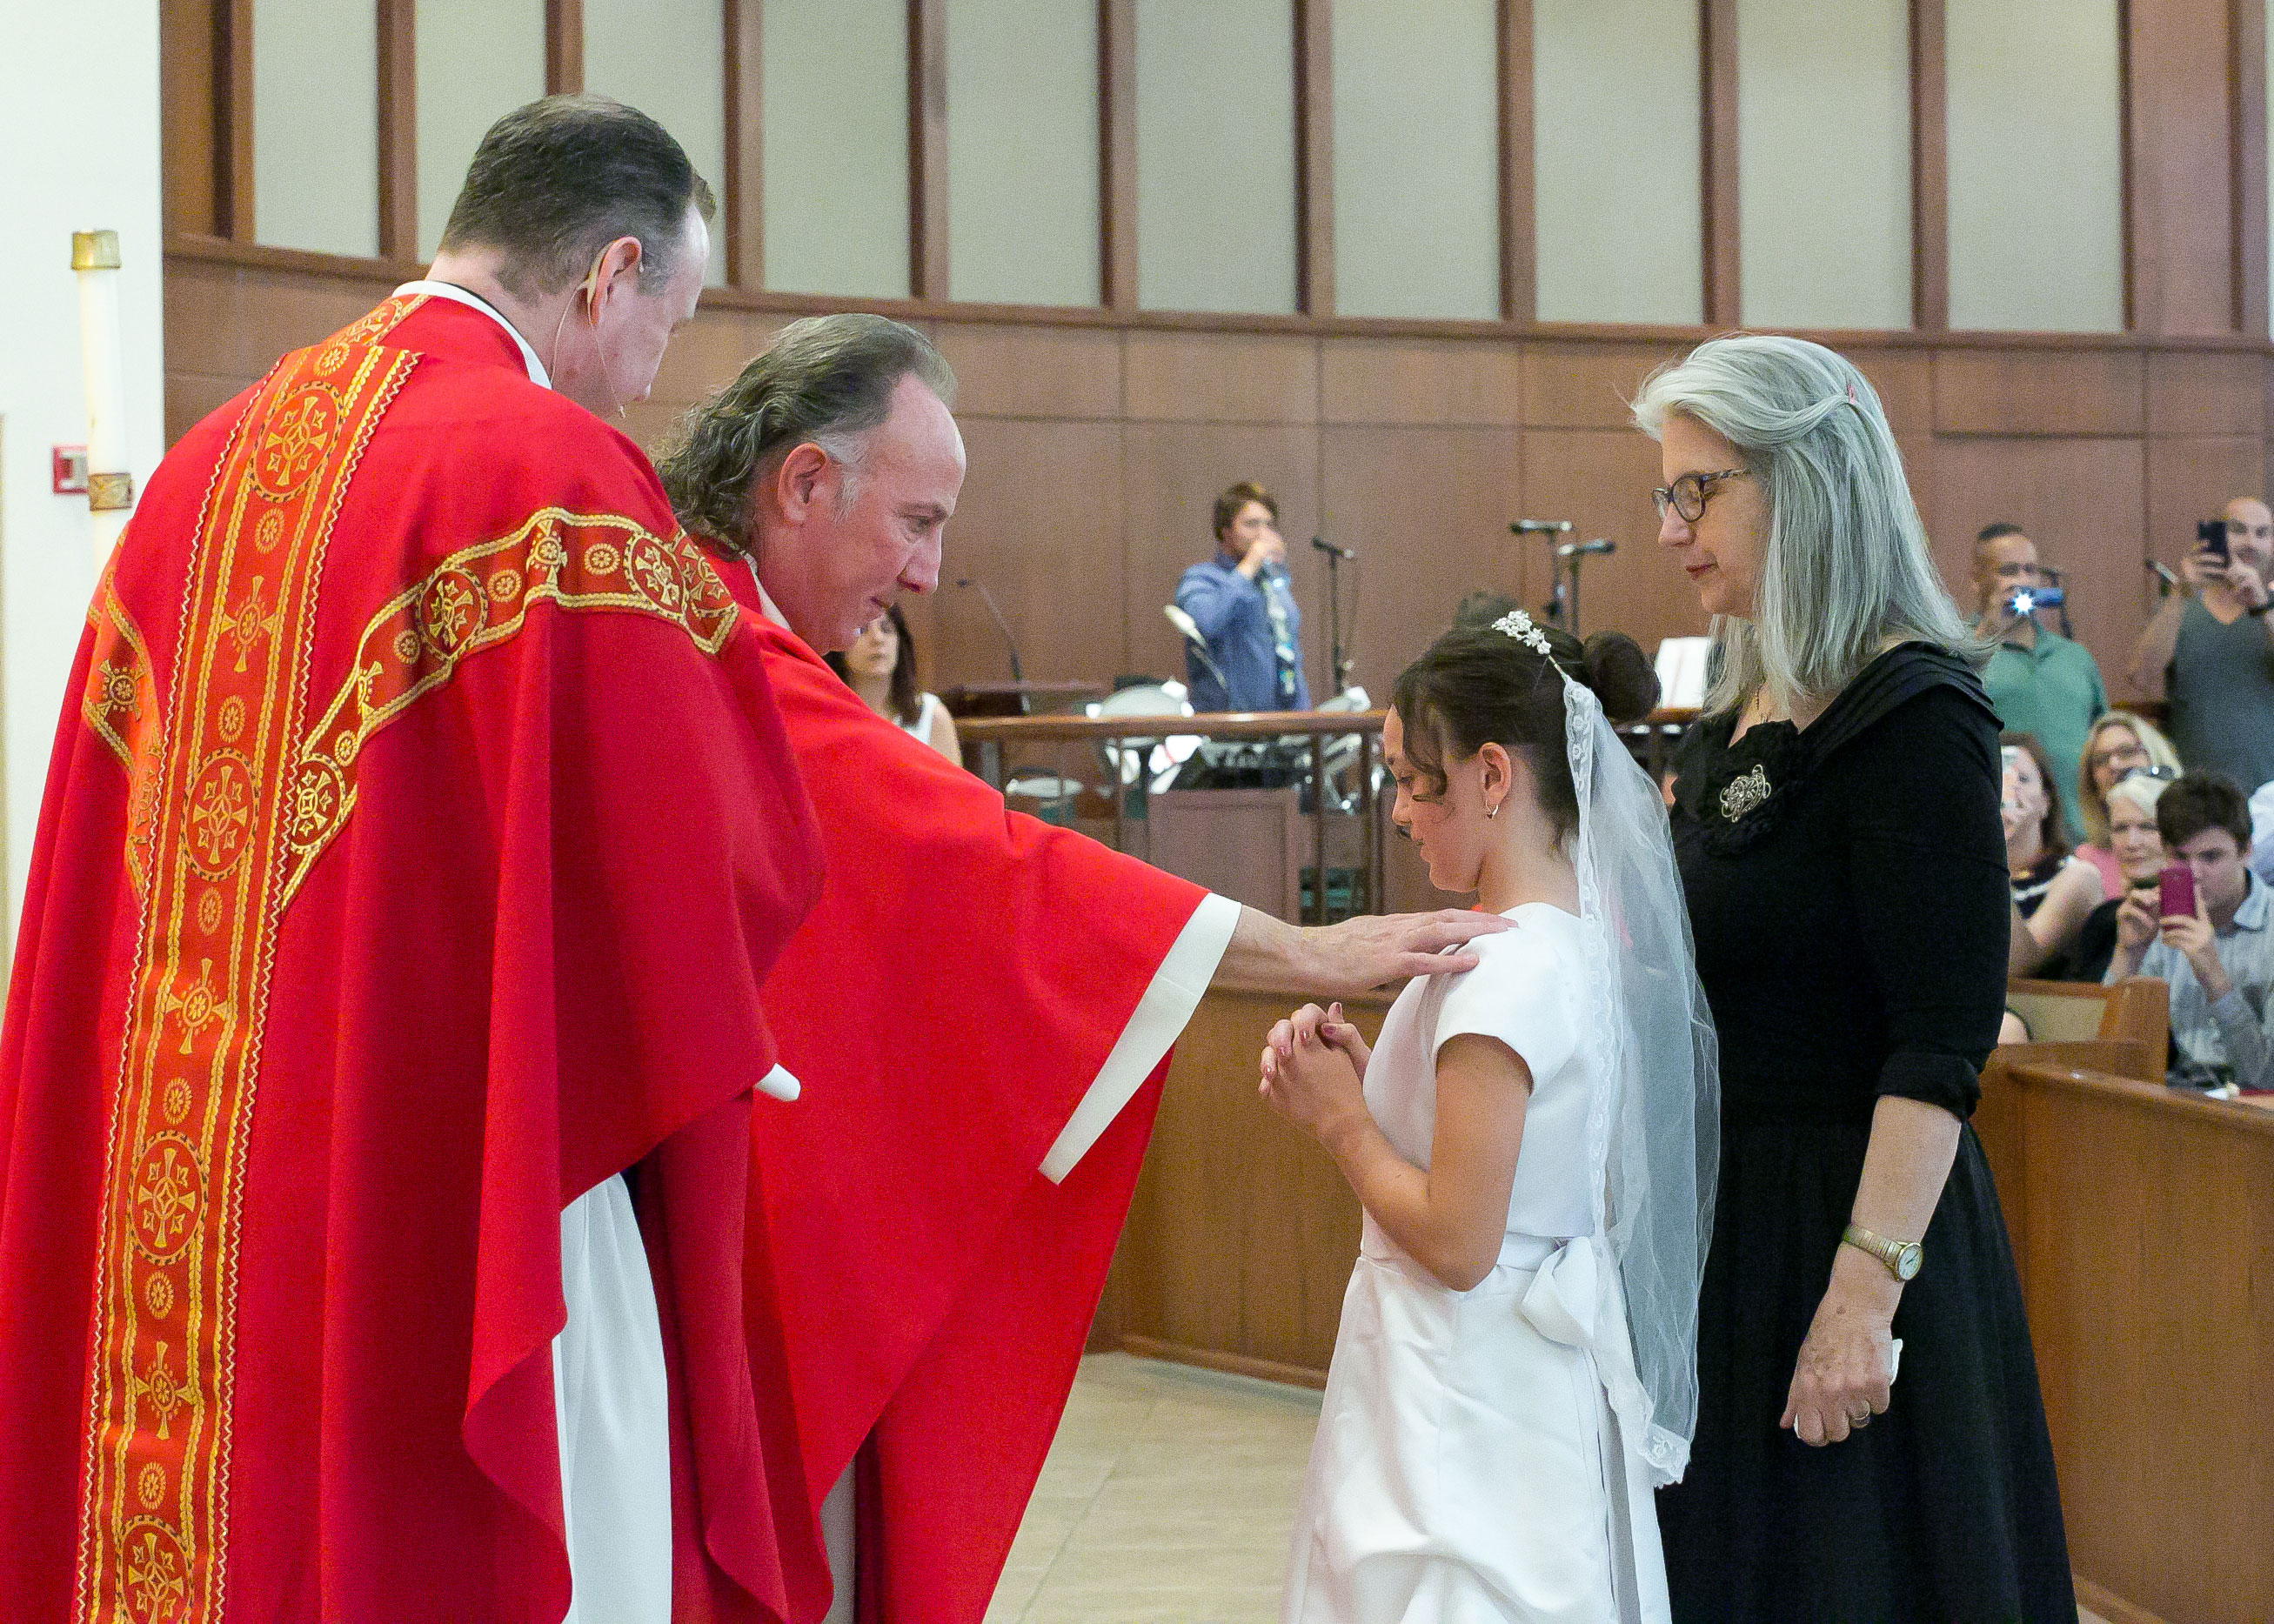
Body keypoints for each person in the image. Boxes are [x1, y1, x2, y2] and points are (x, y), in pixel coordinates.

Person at [0, 96, 828, 1624]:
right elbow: (705, 849)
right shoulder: (548, 472)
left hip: (208, 1195)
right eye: (669, 323)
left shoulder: (202, 467)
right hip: (457, 1176)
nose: (654, 375)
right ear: (611, 274)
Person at [655, 314, 1513, 1623]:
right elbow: (991, 865)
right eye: (917, 522)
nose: (928, 573)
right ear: (804, 482)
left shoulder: (694, 609)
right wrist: (1300, 946)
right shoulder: (725, 645)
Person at [1635, 332, 2073, 1619]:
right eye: (1665, 492)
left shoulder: (1915, 717)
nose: (1668, 529)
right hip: (1731, 1230)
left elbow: (1938, 1042)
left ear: (1807, 482)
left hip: (1851, 1230)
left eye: (1696, 490)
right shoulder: (1737, 709)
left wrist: (1859, 1294)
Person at [1259, 613, 1716, 1622]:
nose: (1396, 811)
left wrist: (1340, 1124)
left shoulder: (1495, 968)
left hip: (1457, 1385)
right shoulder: (1577, 947)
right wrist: (1368, 1083)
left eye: (1408, 779)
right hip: (1533, 1381)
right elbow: (1522, 1156)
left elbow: (1460, 1241)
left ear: (1492, 775)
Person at [2105, 772, 2274, 1091]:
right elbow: (2104, 1055)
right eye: (2181, 857)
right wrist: (2128, 954)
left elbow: (2266, 1079)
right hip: (2176, 1100)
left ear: (2246, 850)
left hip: (2250, 1111)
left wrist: (2213, 974)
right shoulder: (2162, 920)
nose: (2194, 873)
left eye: (2211, 856)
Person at [2128, 495, 2274, 789]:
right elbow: (2141, 676)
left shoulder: (2270, 608)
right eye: (2238, 530)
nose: (2251, 542)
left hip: (2269, 794)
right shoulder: (2180, 606)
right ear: (2215, 537)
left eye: (2262, 533)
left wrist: (2262, 608)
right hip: (2194, 792)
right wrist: (2180, 593)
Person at [1972, 523, 2106, 836]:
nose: (2022, 581)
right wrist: (1987, 633)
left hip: (2081, 834)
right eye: (2008, 571)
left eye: (2030, 570)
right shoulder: (1959, 652)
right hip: (2005, 835)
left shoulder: (2074, 656)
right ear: (1977, 581)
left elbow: (2104, 739)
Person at [1174, 480, 1312, 712]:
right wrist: (1249, 565)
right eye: (1251, 524)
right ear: (1226, 531)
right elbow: (1207, 623)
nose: (1263, 535)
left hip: (1284, 720)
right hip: (1228, 722)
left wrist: (1304, 717)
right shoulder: (1201, 579)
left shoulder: (1271, 583)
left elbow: (1290, 651)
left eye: (1268, 525)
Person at [2003, 732, 2105, 976]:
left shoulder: (2078, 876)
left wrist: (1995, 845)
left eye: (2022, 779)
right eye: (1998, 779)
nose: (2009, 791)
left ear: (2046, 801)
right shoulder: (1962, 876)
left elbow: (2016, 965)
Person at [2061, 772, 2171, 985]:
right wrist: (2125, 954)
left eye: (2148, 827)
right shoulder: (2103, 922)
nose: (2131, 843)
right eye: (2120, 829)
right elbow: (2086, 1004)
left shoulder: (2208, 916)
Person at [826, 601, 960, 762]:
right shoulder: (825, 716)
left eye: (886, 629)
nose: (878, 639)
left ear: (900, 642)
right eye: (862, 630)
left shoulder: (931, 715)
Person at [2070, 710, 2182, 893]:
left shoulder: (2192, 850)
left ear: (2154, 756)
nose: (2114, 765)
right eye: (2101, 760)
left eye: (2127, 752)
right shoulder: (2086, 863)